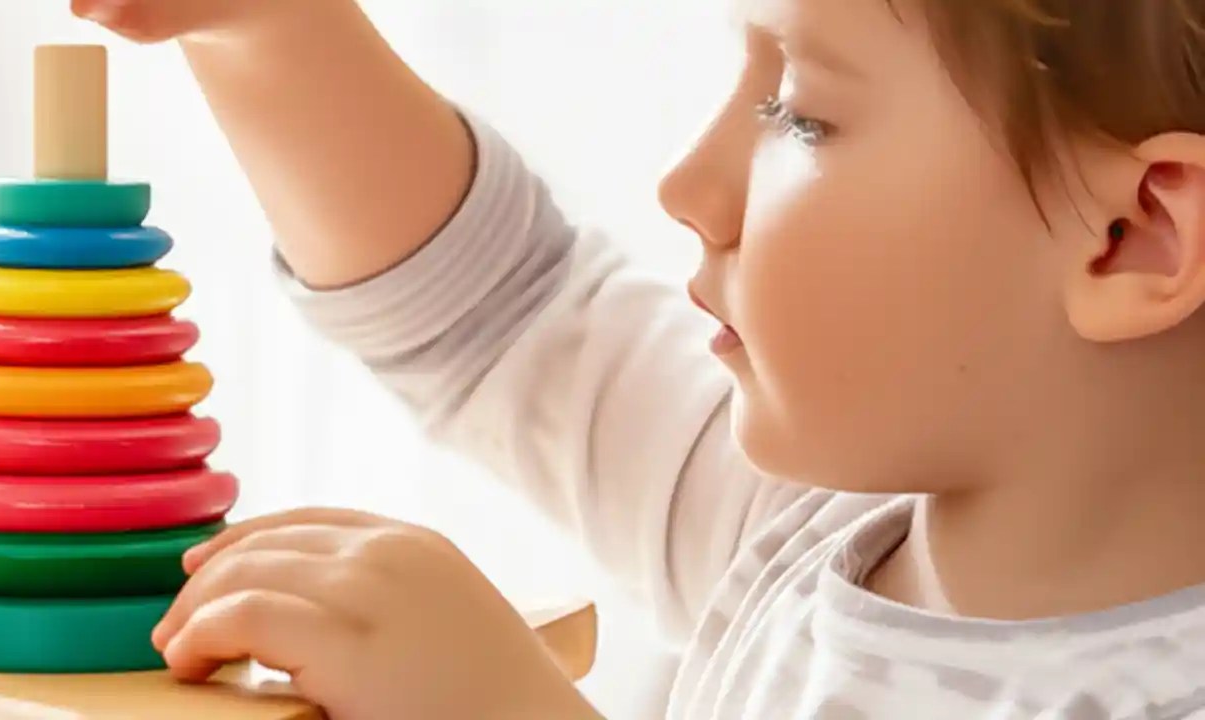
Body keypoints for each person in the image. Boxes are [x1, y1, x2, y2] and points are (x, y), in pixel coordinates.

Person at [79, 0, 1205, 717]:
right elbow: (503, 318)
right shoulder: (797, 529)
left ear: (1129, 238)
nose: (685, 184)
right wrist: (265, 27)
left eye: (798, 112)